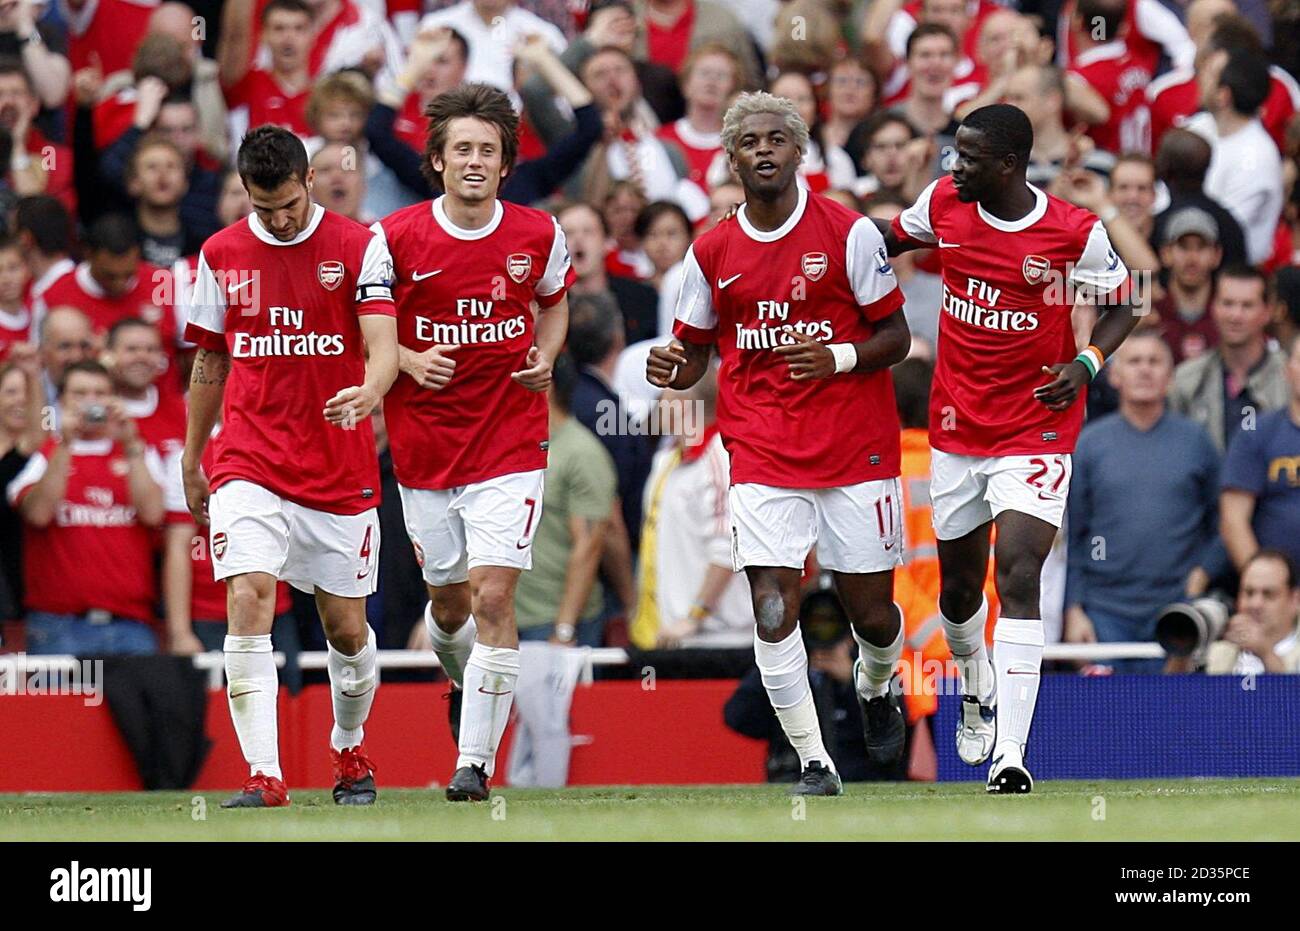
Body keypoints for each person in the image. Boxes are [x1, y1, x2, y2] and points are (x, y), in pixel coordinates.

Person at [647, 91, 912, 797]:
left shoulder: (849, 233)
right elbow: (696, 352)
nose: (763, 150)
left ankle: (877, 679)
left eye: (776, 139)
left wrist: (839, 358)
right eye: (749, 142)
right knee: (772, 604)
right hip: (761, 448)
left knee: (871, 613)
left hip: (855, 448)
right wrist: (676, 366)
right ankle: (813, 759)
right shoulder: (710, 252)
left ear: (798, 153)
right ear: (731, 159)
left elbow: (897, 338)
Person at [876, 103, 1136, 792]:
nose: (953, 166)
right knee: (961, 592)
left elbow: (1124, 303)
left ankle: (1011, 755)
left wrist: (1085, 364)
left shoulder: (1071, 232)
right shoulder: (944, 206)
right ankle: (976, 682)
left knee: (1017, 576)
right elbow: (884, 237)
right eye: (953, 153)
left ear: (1009, 165)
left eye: (967, 156)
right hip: (958, 429)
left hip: (1036, 428)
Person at [181, 125, 399, 809]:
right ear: (245, 192)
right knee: (247, 593)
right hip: (249, 455)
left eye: (289, 205)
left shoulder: (360, 246)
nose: (278, 219)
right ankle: (264, 774)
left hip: (338, 465)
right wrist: (194, 452)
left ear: (309, 181)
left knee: (347, 630)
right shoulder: (221, 254)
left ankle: (348, 745)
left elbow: (383, 343)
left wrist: (370, 389)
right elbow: (212, 358)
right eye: (263, 206)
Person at [371, 83, 571, 802]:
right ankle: (462, 679)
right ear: (437, 160)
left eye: (489, 149)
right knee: (450, 606)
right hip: (425, 451)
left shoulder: (538, 235)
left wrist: (546, 354)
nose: (476, 160)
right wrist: (406, 360)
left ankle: (473, 763)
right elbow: (367, 328)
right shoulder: (393, 239)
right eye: (463, 149)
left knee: (493, 596)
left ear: (506, 163)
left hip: (510, 444)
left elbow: (553, 302)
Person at [1065, 332, 1224, 672]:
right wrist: (1073, 608)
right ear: (1114, 376)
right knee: (1104, 717)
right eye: (1134, 361)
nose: (1145, 370)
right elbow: (1074, 535)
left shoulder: (1196, 441)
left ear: (1170, 376)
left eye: (1155, 362)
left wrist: (1204, 572)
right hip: (1104, 612)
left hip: (1177, 609)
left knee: (1174, 717)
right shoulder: (1089, 444)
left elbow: (1223, 522)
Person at [8, 360, 166, 655]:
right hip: (57, 624)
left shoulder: (139, 453)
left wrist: (132, 445)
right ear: (62, 400)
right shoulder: (43, 454)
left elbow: (153, 514)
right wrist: (64, 444)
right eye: (80, 393)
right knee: (56, 704)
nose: (91, 402)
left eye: (100, 393)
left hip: (130, 623)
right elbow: (38, 514)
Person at [631, 368, 752, 649]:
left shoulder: (720, 456)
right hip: (673, 637)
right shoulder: (667, 459)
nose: (658, 400)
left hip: (721, 642)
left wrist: (695, 616)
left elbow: (727, 546)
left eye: (664, 392)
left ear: (683, 401)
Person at [513, 353, 616, 646]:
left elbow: (590, 545)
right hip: (503, 616)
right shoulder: (509, 446)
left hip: (552, 621)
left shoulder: (582, 452)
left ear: (545, 385)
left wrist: (564, 628)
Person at [1169, 265, 1287, 453]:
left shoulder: (1290, 376)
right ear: (1213, 307)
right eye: (1227, 303)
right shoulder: (1186, 378)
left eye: (1247, 305)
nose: (1235, 315)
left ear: (1267, 312)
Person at [1185, 48, 1284, 266]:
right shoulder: (1199, 127)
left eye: (1209, 73)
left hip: (1230, 276)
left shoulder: (1256, 159)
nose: (1199, 77)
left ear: (1224, 95)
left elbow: (1220, 231)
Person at [1220, 334, 1300, 572]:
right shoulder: (1256, 432)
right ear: (1287, 370)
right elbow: (1233, 521)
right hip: (1278, 595)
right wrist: (1265, 587)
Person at [1153, 207, 1223, 364]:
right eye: (1183, 247)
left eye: (1201, 247)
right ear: (1166, 253)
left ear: (1217, 255)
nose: (1192, 258)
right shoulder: (1149, 311)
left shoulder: (1230, 313)